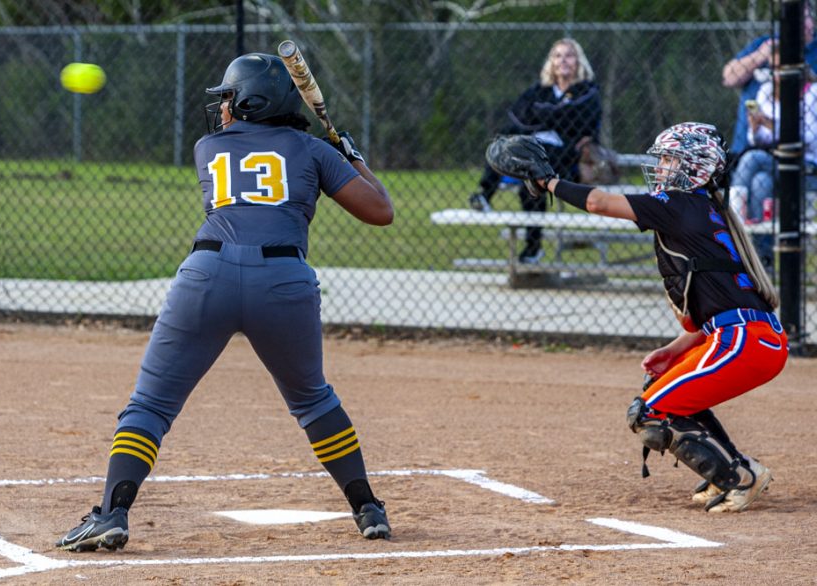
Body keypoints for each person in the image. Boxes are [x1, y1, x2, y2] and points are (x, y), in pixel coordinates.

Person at [55, 53, 394, 552]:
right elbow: (380, 211)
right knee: (313, 399)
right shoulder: (312, 150)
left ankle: (112, 513)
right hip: (284, 282)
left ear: (253, 102)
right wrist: (350, 156)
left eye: (231, 98)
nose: (224, 108)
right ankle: (367, 508)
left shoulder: (207, 146)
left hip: (206, 276)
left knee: (151, 402)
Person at [488, 123, 788, 512]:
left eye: (668, 160)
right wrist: (674, 349)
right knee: (661, 388)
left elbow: (598, 202)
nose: (660, 167)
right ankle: (729, 468)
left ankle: (740, 477)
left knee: (650, 414)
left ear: (692, 167)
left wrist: (548, 182)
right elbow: (720, 306)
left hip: (744, 342)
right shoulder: (705, 209)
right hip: (748, 337)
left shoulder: (680, 204)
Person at [469, 37, 601, 264]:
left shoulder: (587, 91)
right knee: (503, 148)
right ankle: (485, 193)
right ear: (551, 62)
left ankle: (532, 246)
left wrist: (541, 116)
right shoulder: (540, 90)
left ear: (579, 61)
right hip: (533, 152)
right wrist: (555, 115)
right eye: (557, 56)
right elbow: (519, 116)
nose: (563, 61)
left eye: (569, 55)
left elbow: (581, 123)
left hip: (565, 158)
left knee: (530, 167)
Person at [729, 52, 817, 273]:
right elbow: (756, 141)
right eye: (774, 68)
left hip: (803, 166)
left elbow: (808, 137)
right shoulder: (767, 91)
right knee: (760, 183)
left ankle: (732, 223)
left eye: (782, 67)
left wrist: (771, 124)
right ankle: (763, 261)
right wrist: (757, 127)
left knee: (750, 158)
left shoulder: (812, 93)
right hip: (771, 160)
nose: (777, 73)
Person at [721, 0, 817, 158]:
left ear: (811, 21)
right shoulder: (766, 44)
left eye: (803, 16)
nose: (797, 22)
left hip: (804, 151)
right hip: (750, 145)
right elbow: (728, 78)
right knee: (751, 166)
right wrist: (763, 54)